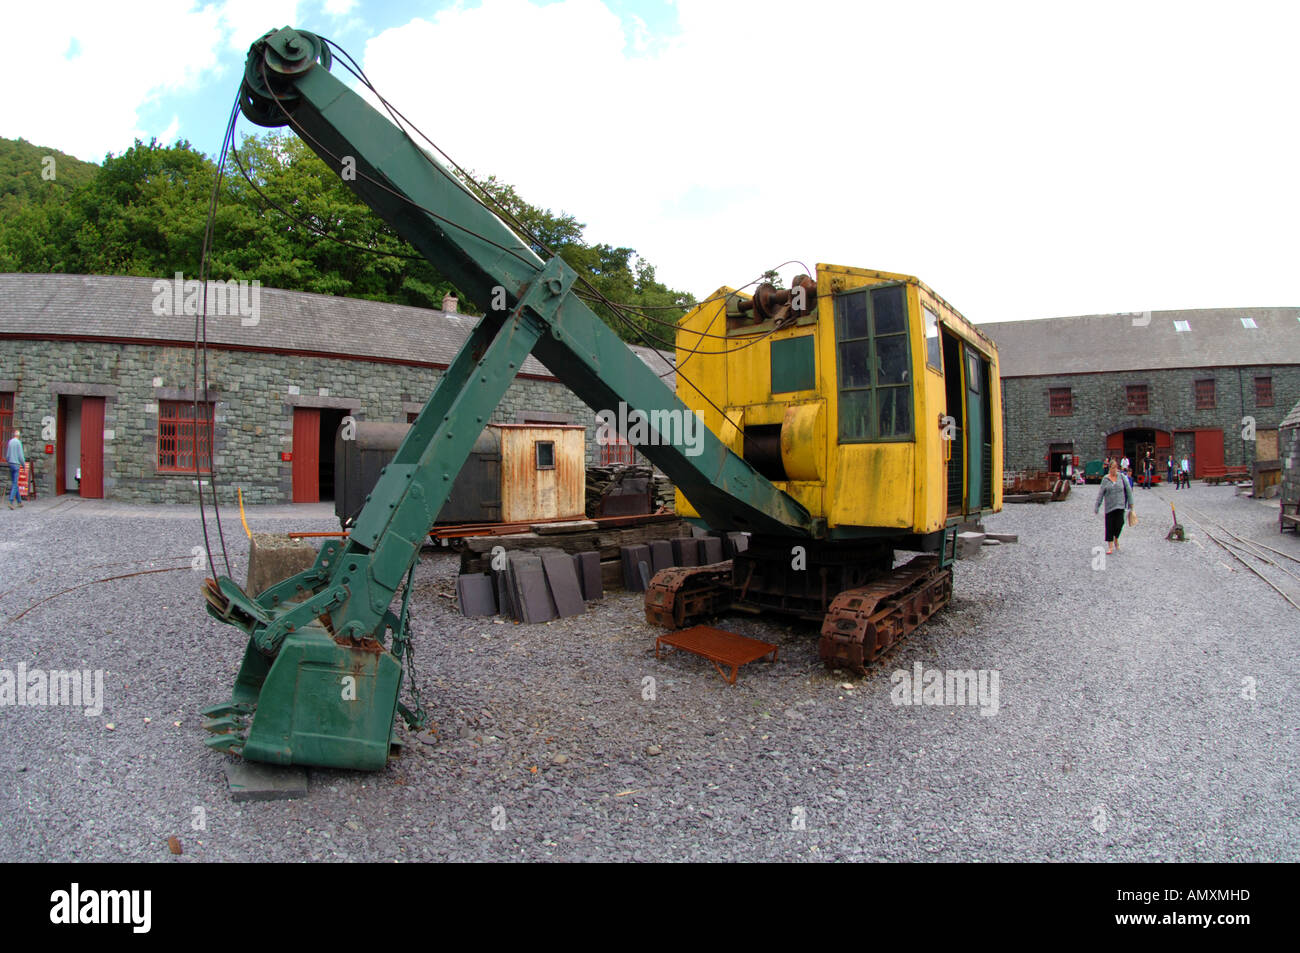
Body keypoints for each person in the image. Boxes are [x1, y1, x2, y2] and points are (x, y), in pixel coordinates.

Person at [1095, 462, 1132, 555]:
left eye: (1115, 468)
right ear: (1109, 468)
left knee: (1120, 523)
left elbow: (1128, 490)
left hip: (1120, 505)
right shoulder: (1105, 479)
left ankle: (1116, 538)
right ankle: (1110, 546)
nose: (1114, 470)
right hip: (1109, 507)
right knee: (1109, 526)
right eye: (1112, 468)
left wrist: (1131, 504)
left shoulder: (1122, 477)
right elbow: (1100, 493)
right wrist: (1097, 506)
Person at [6, 428, 25, 509]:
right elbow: (21, 456)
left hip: (10, 463)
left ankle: (19, 502)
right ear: (19, 436)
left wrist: (8, 461)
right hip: (16, 464)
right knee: (14, 483)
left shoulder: (10, 442)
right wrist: (23, 464)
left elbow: (7, 455)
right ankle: (10, 501)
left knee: (15, 483)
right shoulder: (18, 443)